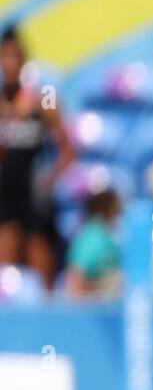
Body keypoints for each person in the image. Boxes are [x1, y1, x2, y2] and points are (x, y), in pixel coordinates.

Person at [0, 22, 75, 289]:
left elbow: (67, 148)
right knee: (6, 270)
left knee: (40, 268)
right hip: (5, 199)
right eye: (3, 57)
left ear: (23, 62)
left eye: (13, 57)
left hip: (33, 199)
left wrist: (49, 178)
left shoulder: (41, 101)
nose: (8, 64)